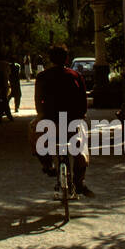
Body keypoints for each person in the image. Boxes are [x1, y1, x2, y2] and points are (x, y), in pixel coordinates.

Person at [33, 44, 92, 196]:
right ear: (66, 58)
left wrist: (41, 115)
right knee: (81, 146)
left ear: (50, 59)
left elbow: (38, 99)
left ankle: (47, 164)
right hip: (72, 121)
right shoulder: (75, 76)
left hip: (50, 121)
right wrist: (82, 115)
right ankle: (80, 181)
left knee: (34, 134)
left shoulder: (42, 77)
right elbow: (82, 100)